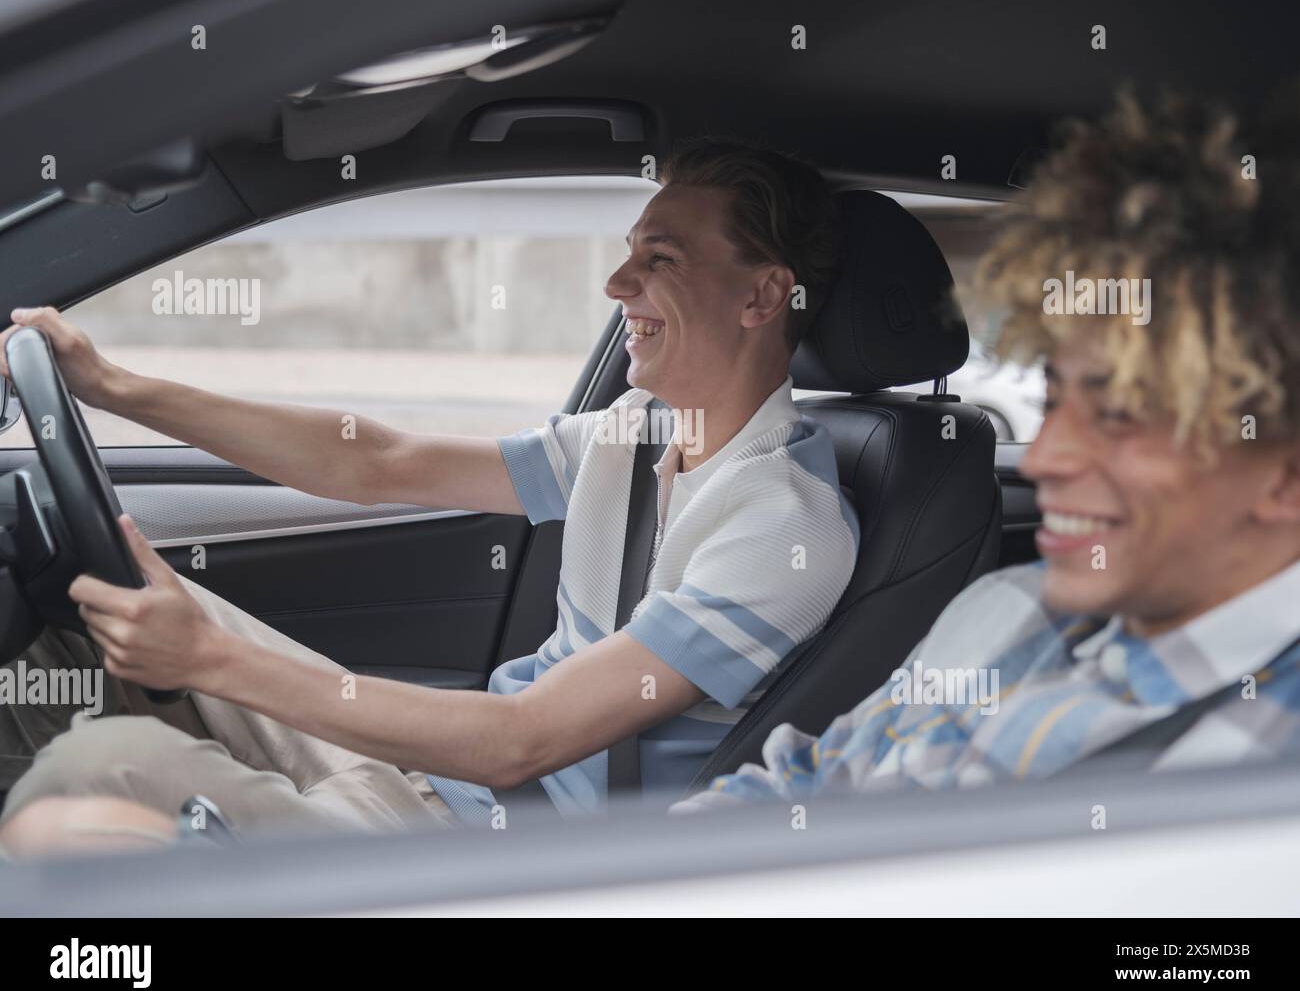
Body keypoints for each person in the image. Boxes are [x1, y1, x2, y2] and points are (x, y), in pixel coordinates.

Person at [0, 138, 859, 852]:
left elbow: (526, 738)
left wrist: (208, 660)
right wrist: (111, 385)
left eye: (658, 258)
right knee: (77, 612)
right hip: (441, 776)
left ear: (763, 295)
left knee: (93, 776)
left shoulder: (783, 524)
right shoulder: (635, 430)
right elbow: (375, 460)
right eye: (630, 251)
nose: (617, 284)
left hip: (483, 844)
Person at [676, 89, 1300, 813]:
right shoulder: (1009, 608)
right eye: (1055, 399)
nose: (1042, 459)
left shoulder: (1262, 771)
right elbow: (803, 784)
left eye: (1122, 413)